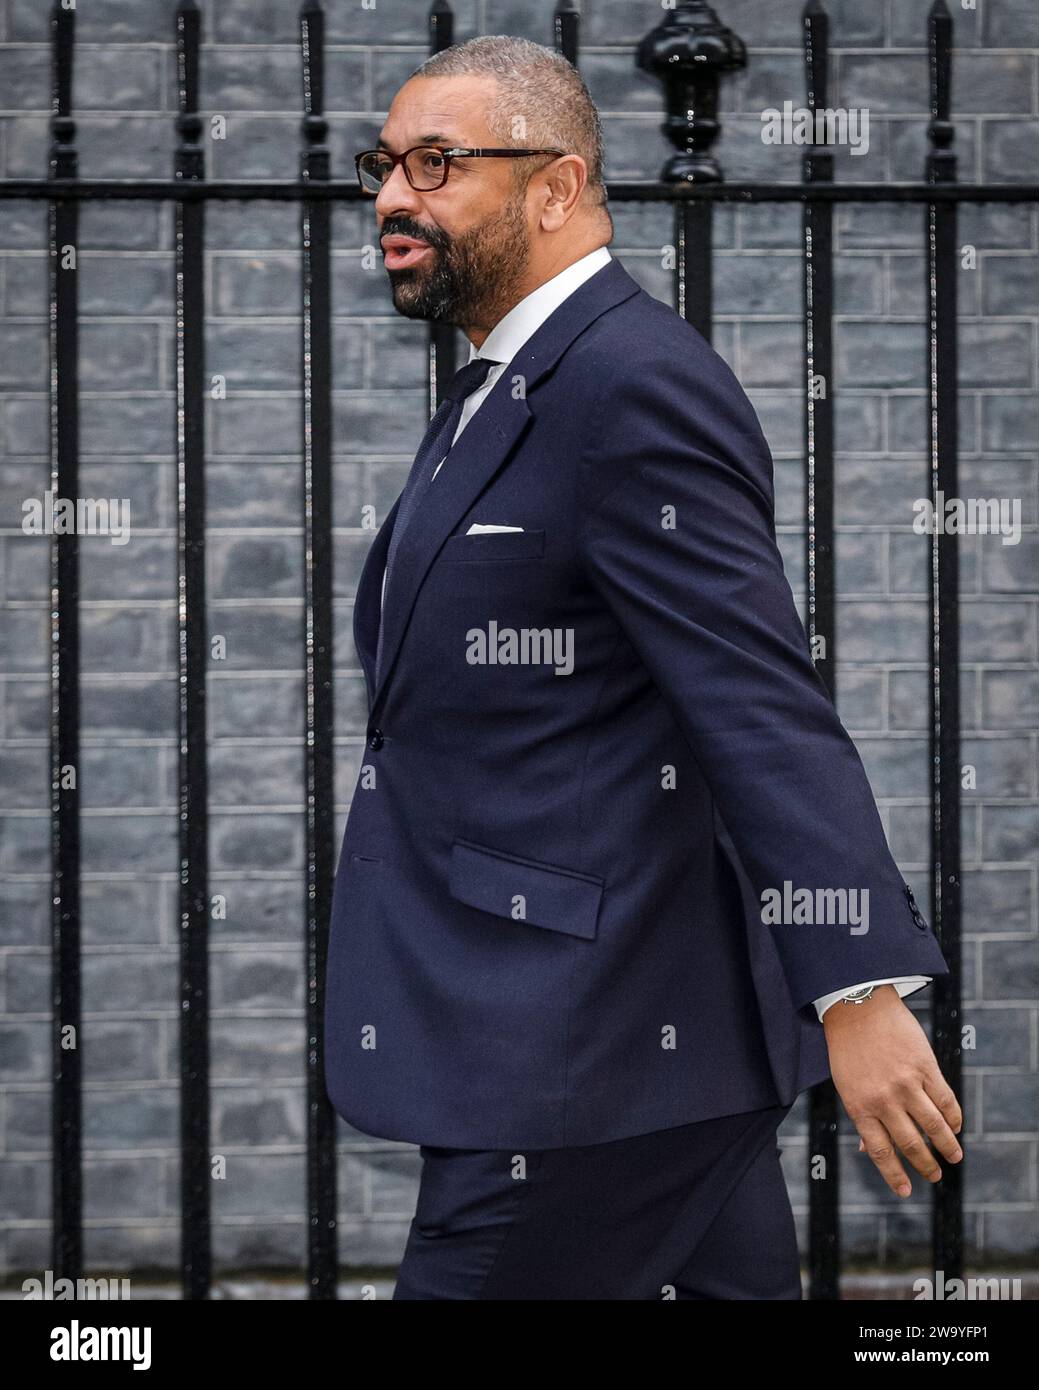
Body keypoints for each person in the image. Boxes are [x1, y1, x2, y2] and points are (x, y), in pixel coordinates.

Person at [322, 35, 962, 1300]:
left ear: (556, 188)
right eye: (384, 165)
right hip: (643, 1039)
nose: (394, 196)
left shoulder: (628, 384)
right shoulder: (496, 390)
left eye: (437, 164)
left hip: (576, 1043)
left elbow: (752, 696)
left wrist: (854, 983)